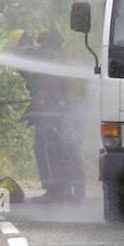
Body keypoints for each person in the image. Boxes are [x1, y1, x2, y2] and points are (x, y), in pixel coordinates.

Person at [25, 28, 82, 203]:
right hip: (65, 114)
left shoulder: (49, 58)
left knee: (46, 149)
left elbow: (38, 86)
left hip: (53, 115)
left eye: (42, 44)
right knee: (67, 151)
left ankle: (55, 192)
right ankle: (71, 191)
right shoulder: (63, 58)